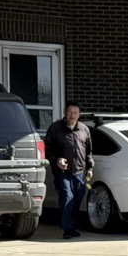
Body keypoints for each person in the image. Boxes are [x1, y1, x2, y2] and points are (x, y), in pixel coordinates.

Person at [43, 101, 93, 239]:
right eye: (70, 112)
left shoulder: (84, 129)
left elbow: (88, 151)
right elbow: (47, 150)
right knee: (67, 196)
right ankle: (66, 229)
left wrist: (90, 167)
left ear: (79, 114)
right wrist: (57, 160)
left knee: (78, 196)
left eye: (75, 113)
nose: (72, 115)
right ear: (65, 112)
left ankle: (72, 226)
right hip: (62, 171)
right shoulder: (55, 128)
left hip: (79, 171)